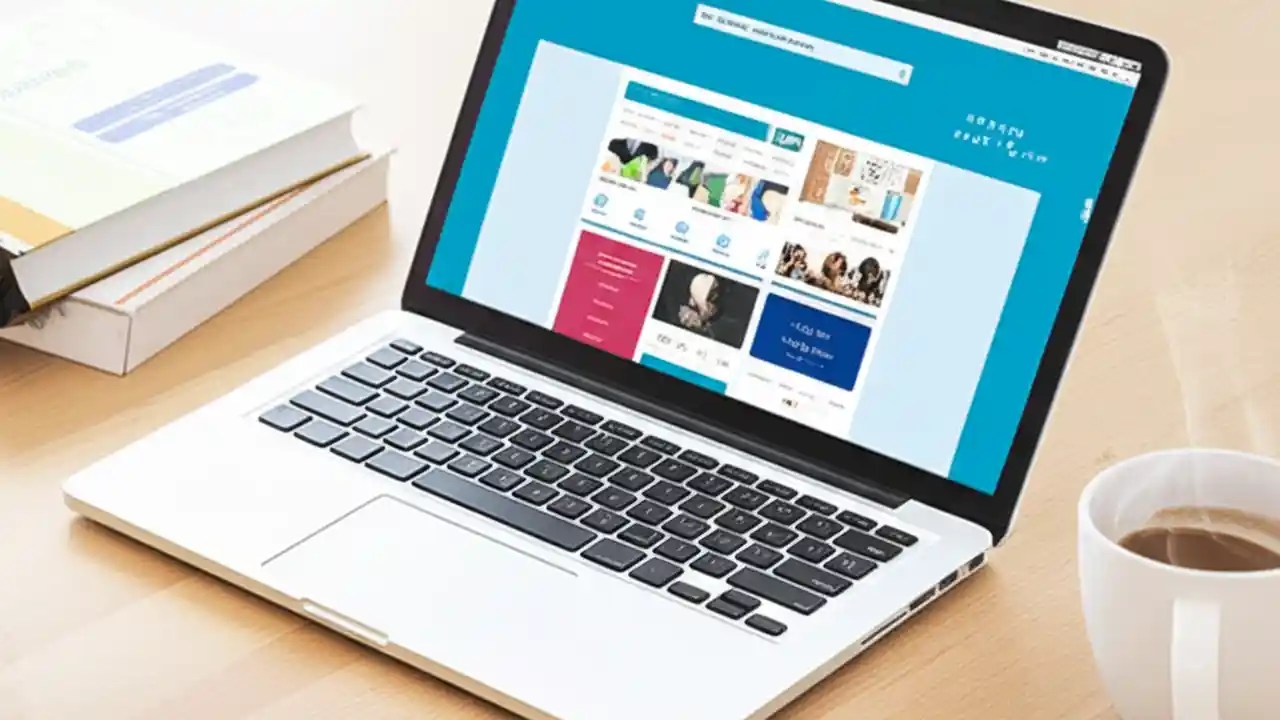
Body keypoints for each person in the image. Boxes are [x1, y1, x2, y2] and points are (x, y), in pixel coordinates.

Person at [678, 273, 722, 337]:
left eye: (717, 291)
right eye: (711, 295)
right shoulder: (687, 318)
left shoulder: (718, 318)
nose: (716, 296)